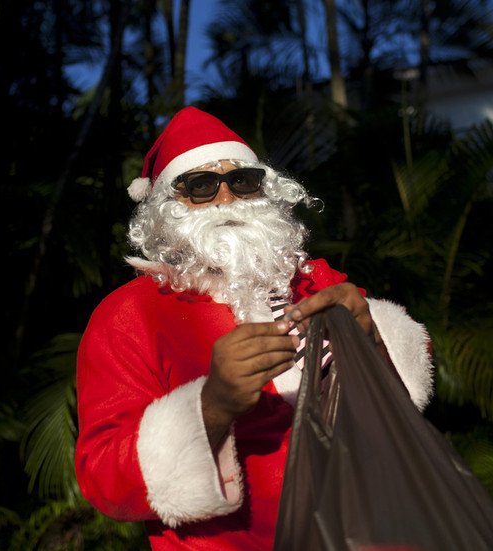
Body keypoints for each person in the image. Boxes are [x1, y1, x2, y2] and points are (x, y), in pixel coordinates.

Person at [74, 106, 433, 550]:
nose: (227, 199)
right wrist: (212, 405)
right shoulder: (129, 313)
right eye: (201, 186)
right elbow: (104, 480)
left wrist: (374, 342)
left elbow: (399, 417)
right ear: (167, 207)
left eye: (243, 182)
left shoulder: (320, 284)